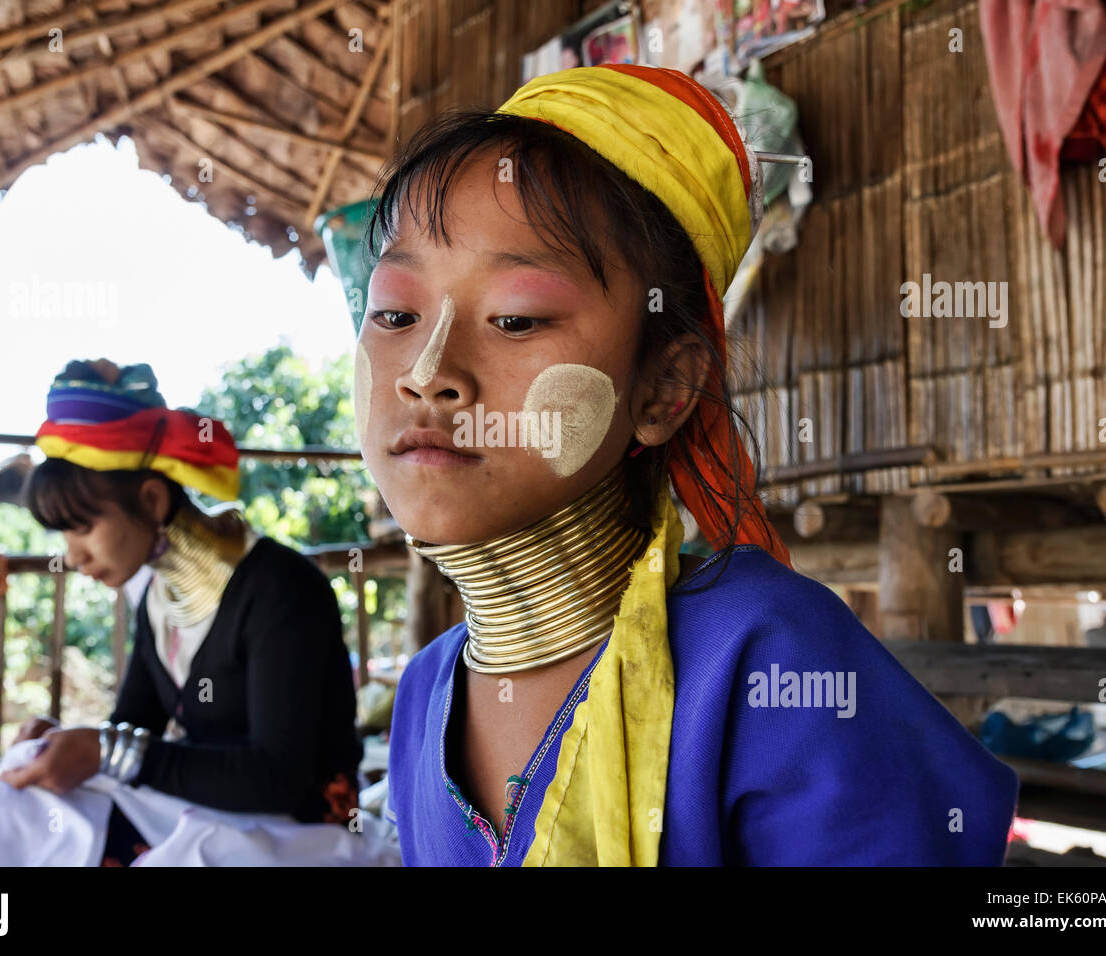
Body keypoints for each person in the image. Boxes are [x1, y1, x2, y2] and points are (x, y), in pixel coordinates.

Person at [362, 64, 1020, 865]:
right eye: (395, 312)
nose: (426, 371)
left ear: (665, 388)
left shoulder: (770, 661)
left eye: (516, 317)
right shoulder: (426, 695)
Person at [0, 359, 386, 866]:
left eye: (82, 527)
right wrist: (63, 743)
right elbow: (131, 726)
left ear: (150, 500)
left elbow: (280, 777)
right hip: (212, 810)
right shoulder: (159, 600)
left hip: (300, 825)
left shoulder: (280, 587)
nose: (74, 556)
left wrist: (104, 750)